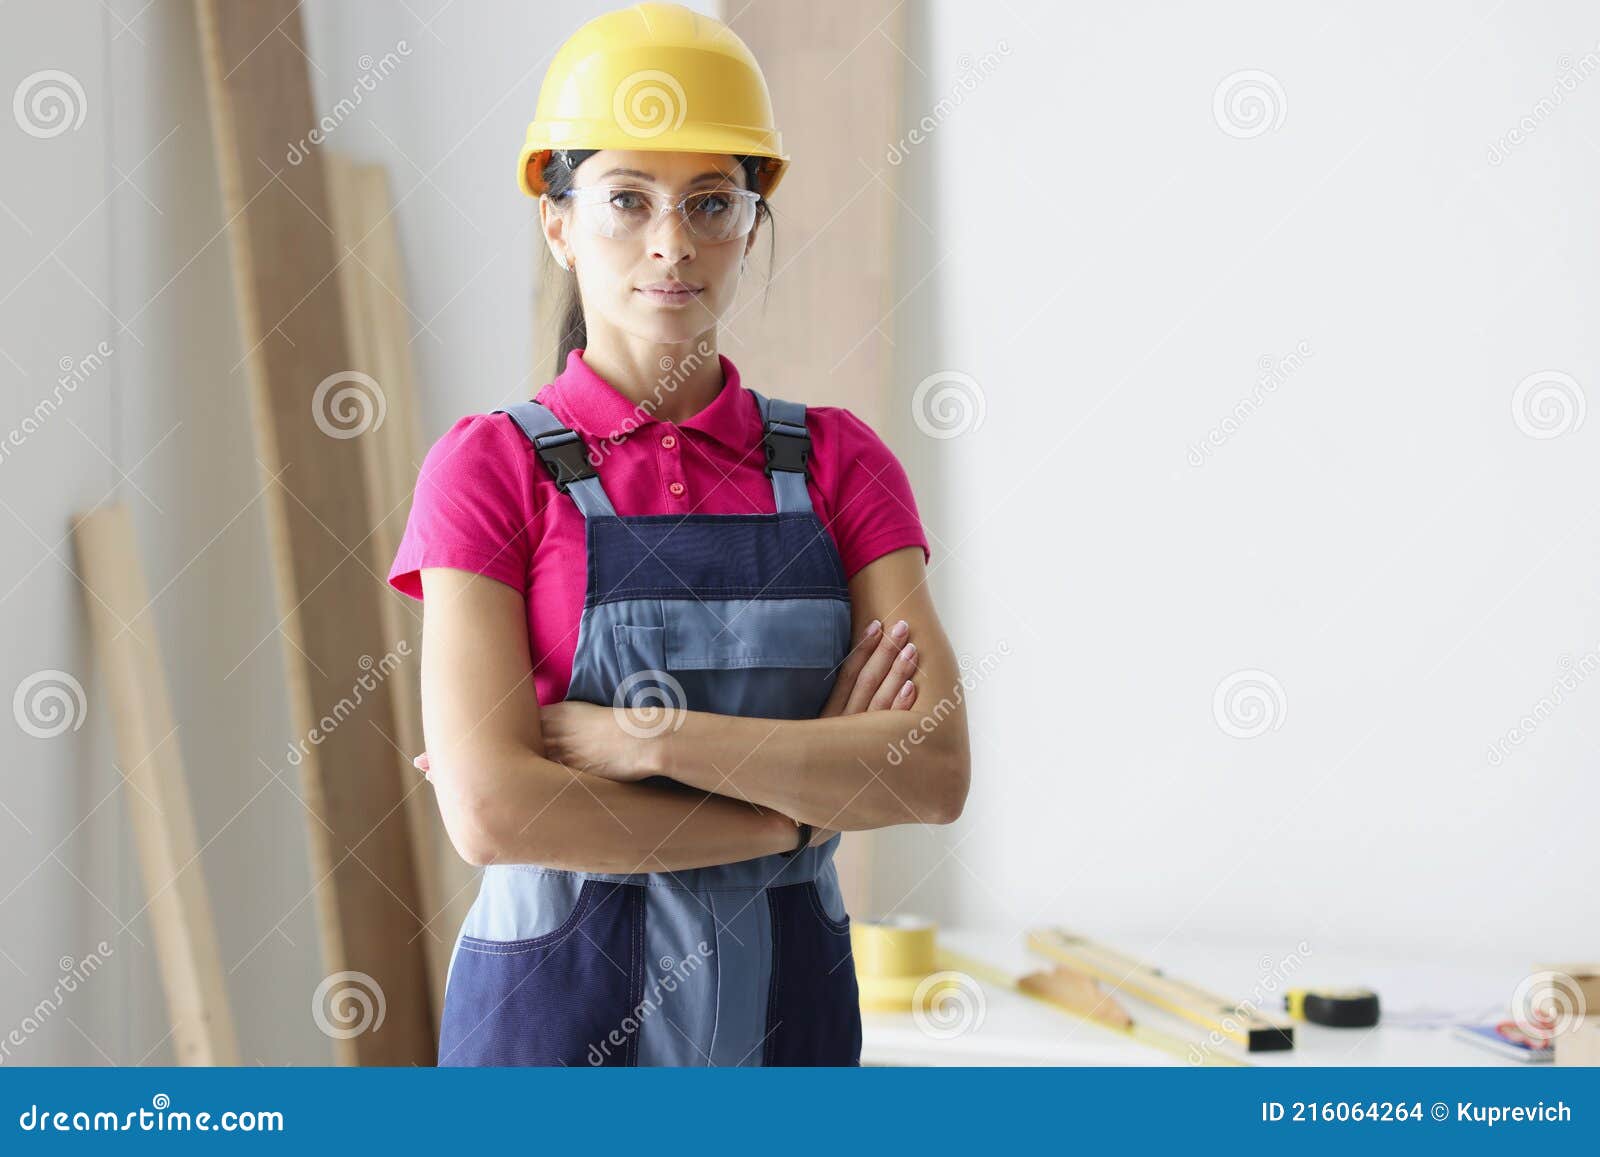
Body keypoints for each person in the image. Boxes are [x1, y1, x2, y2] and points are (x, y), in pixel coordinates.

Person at [387, 1, 969, 1067]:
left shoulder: (839, 463)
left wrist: (645, 738)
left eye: (713, 201)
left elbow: (928, 770)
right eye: (625, 200)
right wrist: (787, 814)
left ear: (752, 221)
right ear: (557, 223)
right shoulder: (491, 468)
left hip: (787, 1028)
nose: (673, 243)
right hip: (549, 1042)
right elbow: (494, 810)